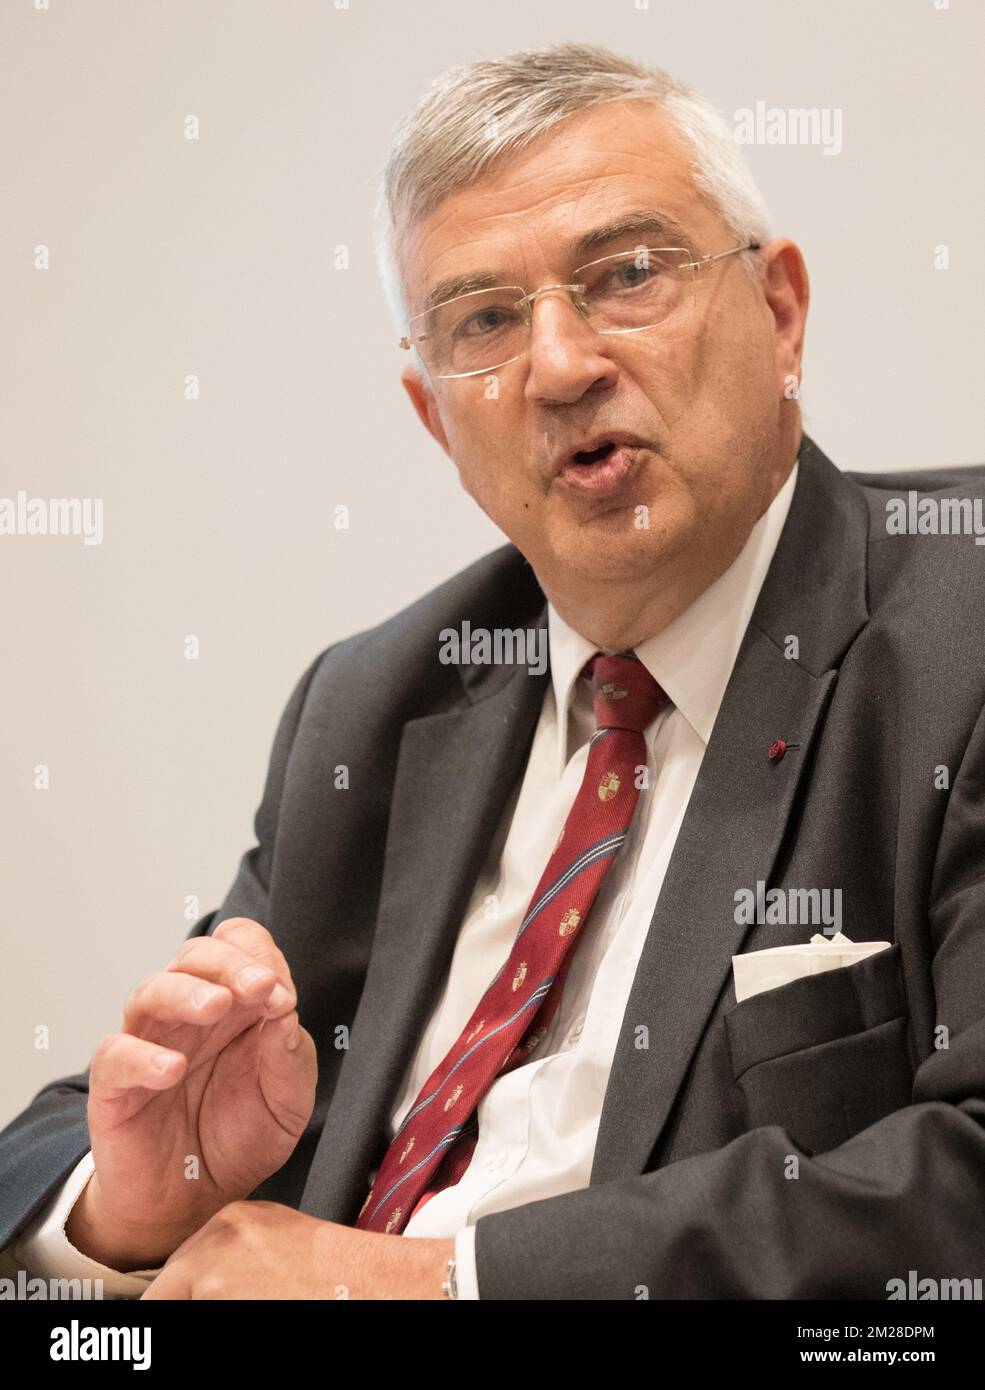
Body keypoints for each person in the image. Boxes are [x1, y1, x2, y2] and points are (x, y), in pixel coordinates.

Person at [2, 41, 984, 1301]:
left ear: (779, 313)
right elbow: (74, 1126)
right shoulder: (380, 705)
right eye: (485, 321)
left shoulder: (952, 645)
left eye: (626, 275)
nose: (562, 367)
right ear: (434, 419)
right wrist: (136, 1206)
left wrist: (436, 1286)